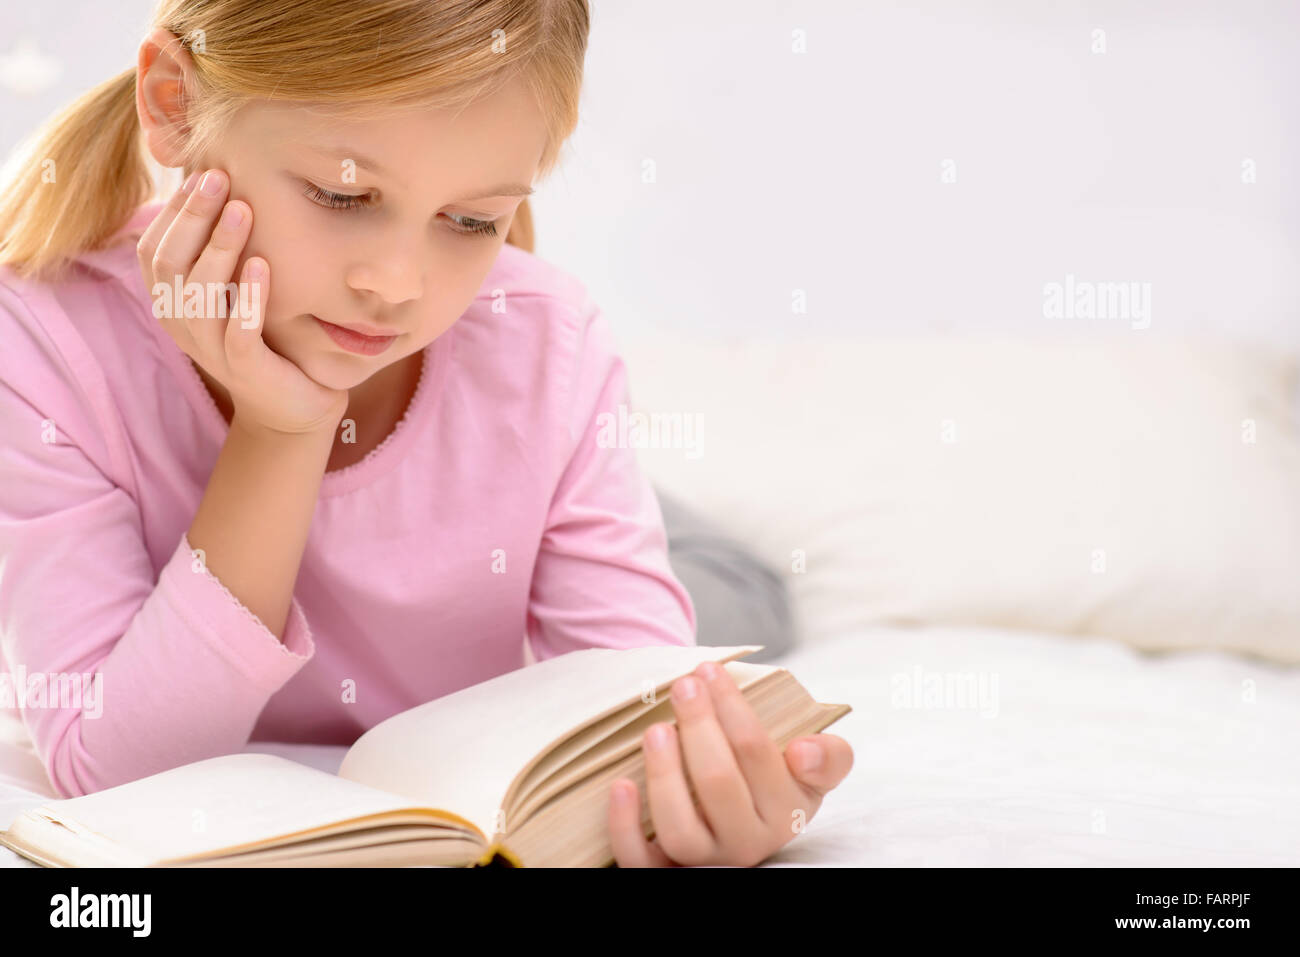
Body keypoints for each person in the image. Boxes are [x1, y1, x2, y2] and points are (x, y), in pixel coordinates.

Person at [0, 0, 850, 868]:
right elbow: (115, 769)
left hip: (591, 515)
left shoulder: (547, 342)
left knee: (739, 595)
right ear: (173, 103)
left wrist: (706, 791)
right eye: (343, 195)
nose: (398, 286)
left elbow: (628, 731)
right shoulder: (42, 335)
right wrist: (284, 430)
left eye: (473, 221)